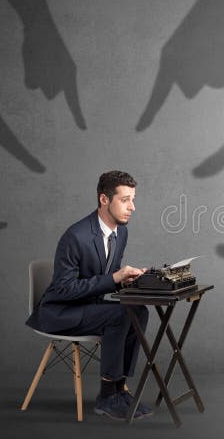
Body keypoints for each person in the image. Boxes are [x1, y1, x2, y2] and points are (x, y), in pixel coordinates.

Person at [26, 170, 152, 420]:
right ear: (104, 199)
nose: (132, 207)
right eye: (125, 200)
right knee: (118, 316)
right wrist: (113, 278)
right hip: (59, 312)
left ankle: (119, 388)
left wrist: (128, 278)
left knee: (139, 311)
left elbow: (106, 276)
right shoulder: (76, 236)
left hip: (89, 307)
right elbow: (64, 288)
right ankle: (107, 396)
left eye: (133, 199)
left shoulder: (121, 232)